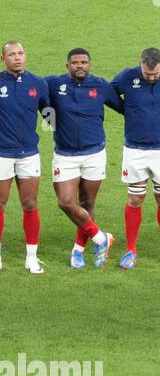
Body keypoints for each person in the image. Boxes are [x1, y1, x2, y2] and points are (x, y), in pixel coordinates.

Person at [111, 47, 160, 269]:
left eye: (155, 74)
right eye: (147, 74)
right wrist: (127, 109)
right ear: (141, 65)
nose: (152, 77)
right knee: (135, 199)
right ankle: (130, 250)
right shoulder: (127, 76)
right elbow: (109, 93)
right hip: (135, 149)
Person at [44, 48, 115, 269]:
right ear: (67, 66)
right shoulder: (53, 84)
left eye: (84, 62)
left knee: (87, 202)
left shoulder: (101, 85)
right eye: (75, 63)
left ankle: (78, 251)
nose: (80, 66)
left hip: (94, 153)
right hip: (65, 155)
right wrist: (49, 121)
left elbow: (123, 107)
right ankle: (102, 238)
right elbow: (38, 100)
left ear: (90, 64)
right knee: (66, 202)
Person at [0, 41, 51, 273]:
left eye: (20, 53)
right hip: (2, 154)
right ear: (4, 59)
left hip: (29, 154)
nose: (17, 58)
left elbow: (48, 113)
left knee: (30, 204)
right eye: (11, 54)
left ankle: (31, 257)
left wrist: (58, 128)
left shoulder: (38, 83)